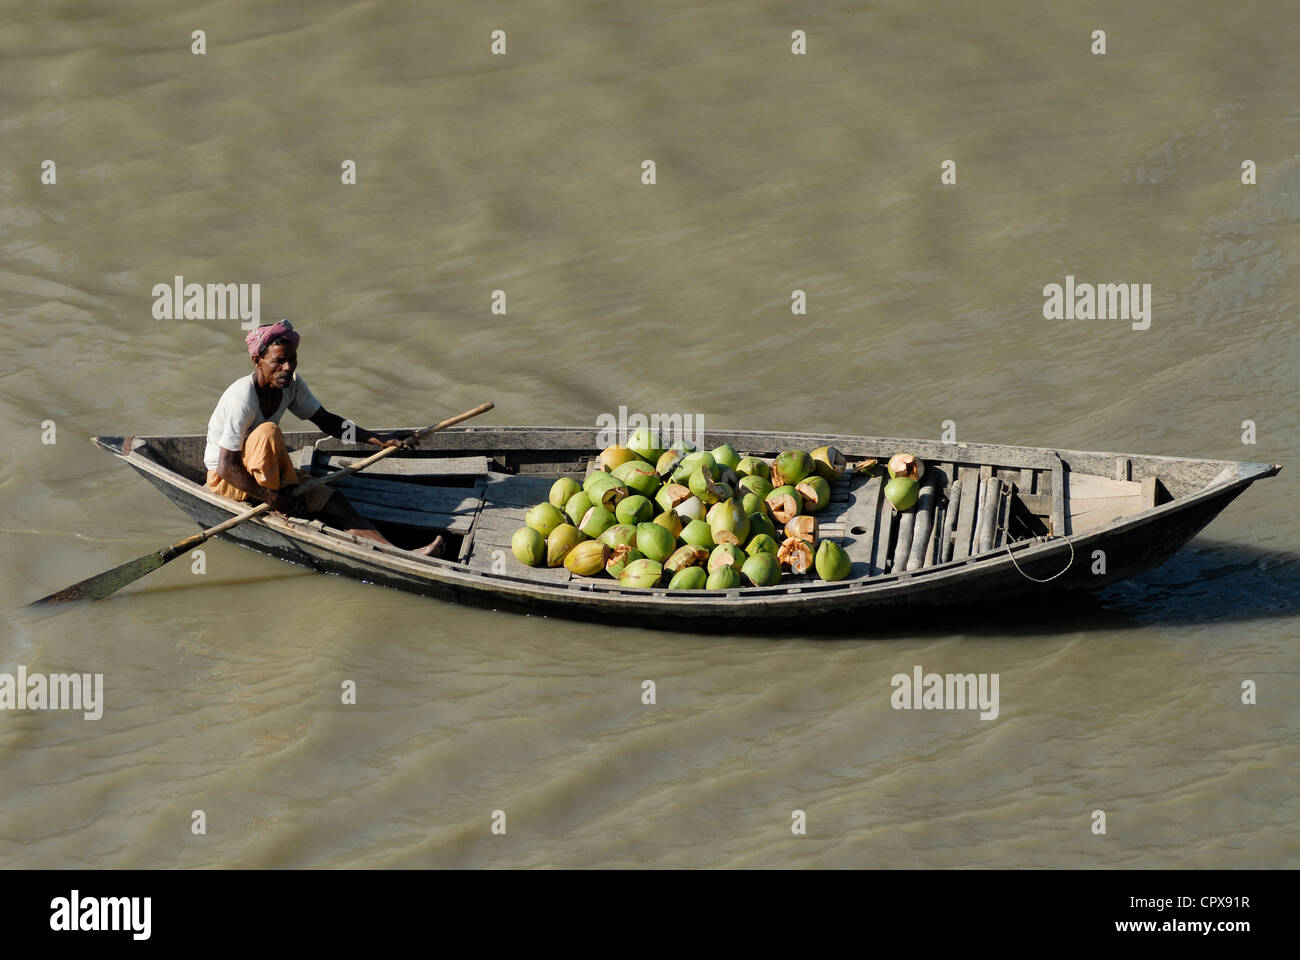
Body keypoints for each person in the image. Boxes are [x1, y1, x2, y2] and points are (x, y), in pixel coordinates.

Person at [203, 320, 443, 557]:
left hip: (265, 470)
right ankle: (278, 500)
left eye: (292, 359)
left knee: (335, 502)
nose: (287, 367)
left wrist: (379, 440)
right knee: (268, 431)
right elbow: (226, 466)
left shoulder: (291, 385)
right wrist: (273, 498)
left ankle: (401, 555)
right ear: (258, 361)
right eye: (278, 361)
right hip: (228, 481)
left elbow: (328, 422)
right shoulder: (241, 398)